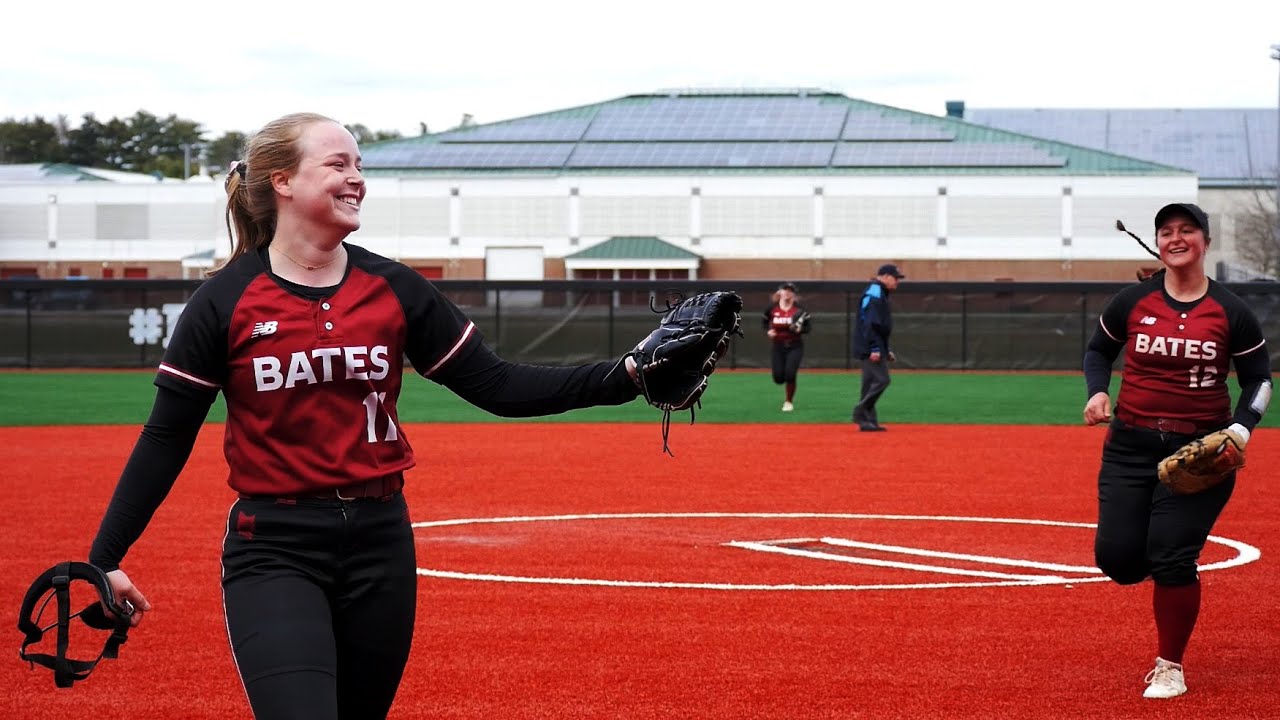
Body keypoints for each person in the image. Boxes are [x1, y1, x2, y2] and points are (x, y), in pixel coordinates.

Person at [86, 112, 651, 719]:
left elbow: (499, 385)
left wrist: (630, 376)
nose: (356, 178)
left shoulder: (392, 286)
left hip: (382, 543)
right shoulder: (224, 300)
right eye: (338, 164)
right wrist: (103, 559)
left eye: (359, 166)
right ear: (281, 181)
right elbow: (166, 436)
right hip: (275, 545)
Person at [1082, 202, 1271, 699]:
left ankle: (1170, 665)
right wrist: (1097, 390)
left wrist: (1241, 429)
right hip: (1129, 446)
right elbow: (1098, 351)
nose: (1176, 238)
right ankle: (1159, 557)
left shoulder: (1231, 311)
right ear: (1159, 243)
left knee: (1172, 557)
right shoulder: (1131, 302)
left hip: (1201, 454)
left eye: (1187, 230)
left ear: (1205, 242)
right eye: (1167, 231)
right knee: (1119, 560)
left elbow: (1259, 383)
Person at [851, 263, 905, 431]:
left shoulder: (880, 291)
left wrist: (885, 349)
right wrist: (875, 348)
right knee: (883, 380)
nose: (897, 282)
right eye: (896, 278)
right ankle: (860, 412)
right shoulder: (875, 291)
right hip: (869, 345)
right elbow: (870, 323)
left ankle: (868, 422)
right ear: (886, 276)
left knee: (869, 384)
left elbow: (880, 326)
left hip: (871, 344)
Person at [762, 282, 811, 411]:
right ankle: (782, 382)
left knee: (790, 374)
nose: (787, 293)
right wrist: (768, 331)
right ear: (780, 292)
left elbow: (808, 328)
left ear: (794, 294)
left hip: (795, 345)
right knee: (778, 378)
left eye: (790, 291)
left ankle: (788, 402)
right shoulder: (772, 308)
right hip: (778, 346)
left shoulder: (800, 310)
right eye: (785, 290)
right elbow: (764, 322)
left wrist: (799, 329)